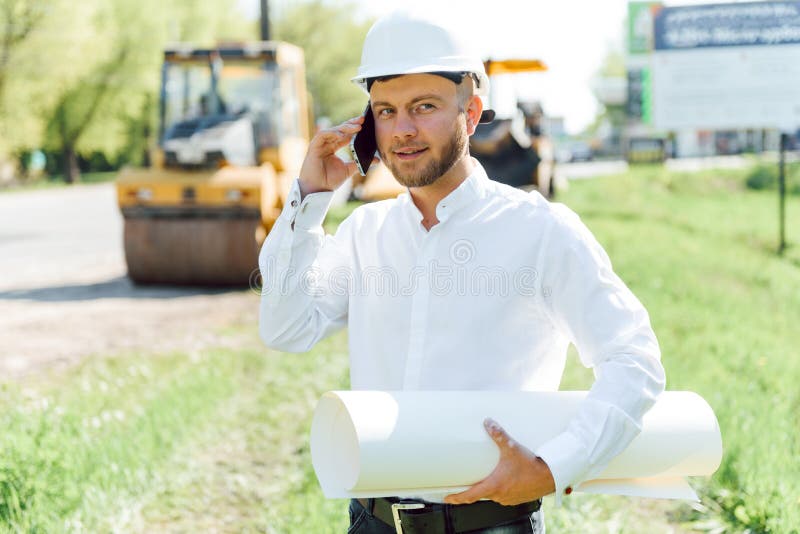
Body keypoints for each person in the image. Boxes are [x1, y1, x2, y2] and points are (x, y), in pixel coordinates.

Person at [259, 11, 665, 534]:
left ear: (471, 113)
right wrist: (309, 199)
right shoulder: (366, 232)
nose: (403, 129)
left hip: (495, 526)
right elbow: (285, 329)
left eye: (424, 107)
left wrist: (552, 469)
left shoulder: (541, 231)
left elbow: (634, 359)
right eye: (386, 110)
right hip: (373, 523)